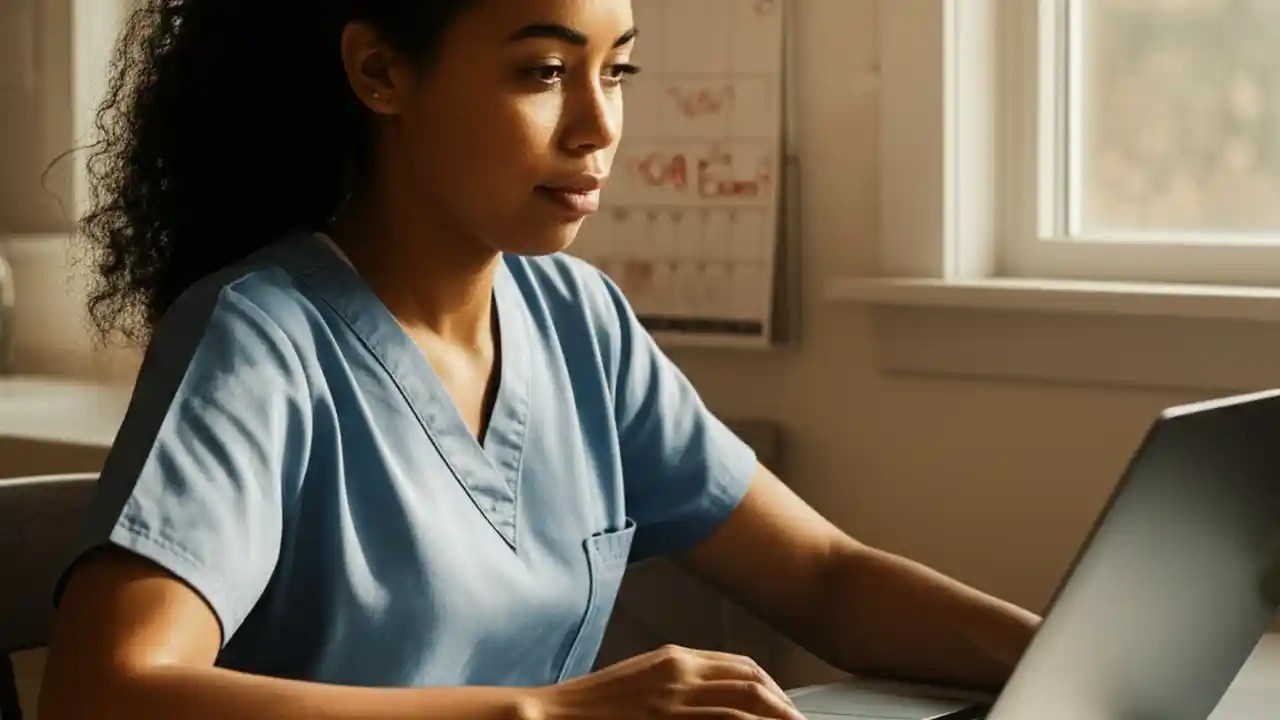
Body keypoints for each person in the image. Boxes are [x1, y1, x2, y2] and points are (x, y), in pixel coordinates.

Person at [38, 1, 1041, 718]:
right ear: (378, 72)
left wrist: (1069, 663)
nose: (599, 127)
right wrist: (543, 715)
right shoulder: (259, 340)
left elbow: (822, 580)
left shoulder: (577, 320)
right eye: (544, 72)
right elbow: (105, 693)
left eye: (618, 70)